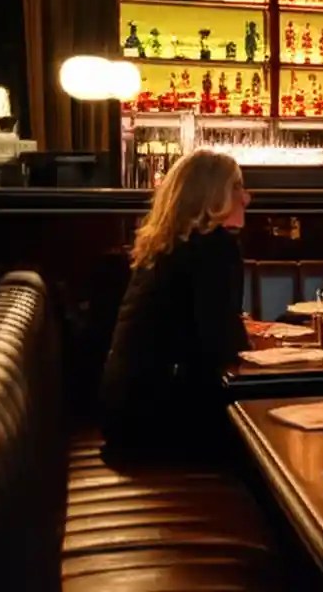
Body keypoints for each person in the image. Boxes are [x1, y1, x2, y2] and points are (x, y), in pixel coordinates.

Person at [100, 149, 252, 457]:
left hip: (125, 413)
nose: (247, 198)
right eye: (236, 187)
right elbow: (220, 346)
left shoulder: (166, 247)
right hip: (159, 421)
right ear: (212, 198)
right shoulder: (213, 250)